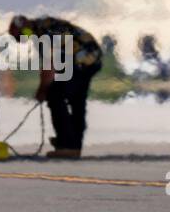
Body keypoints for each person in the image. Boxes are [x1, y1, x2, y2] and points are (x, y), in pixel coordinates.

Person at [9, 15, 102, 159]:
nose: (22, 40)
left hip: (81, 60)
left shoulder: (42, 35)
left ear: (27, 28)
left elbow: (49, 70)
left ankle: (67, 144)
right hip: (93, 58)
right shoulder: (43, 25)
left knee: (55, 95)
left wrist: (42, 91)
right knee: (77, 101)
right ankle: (73, 145)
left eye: (21, 36)